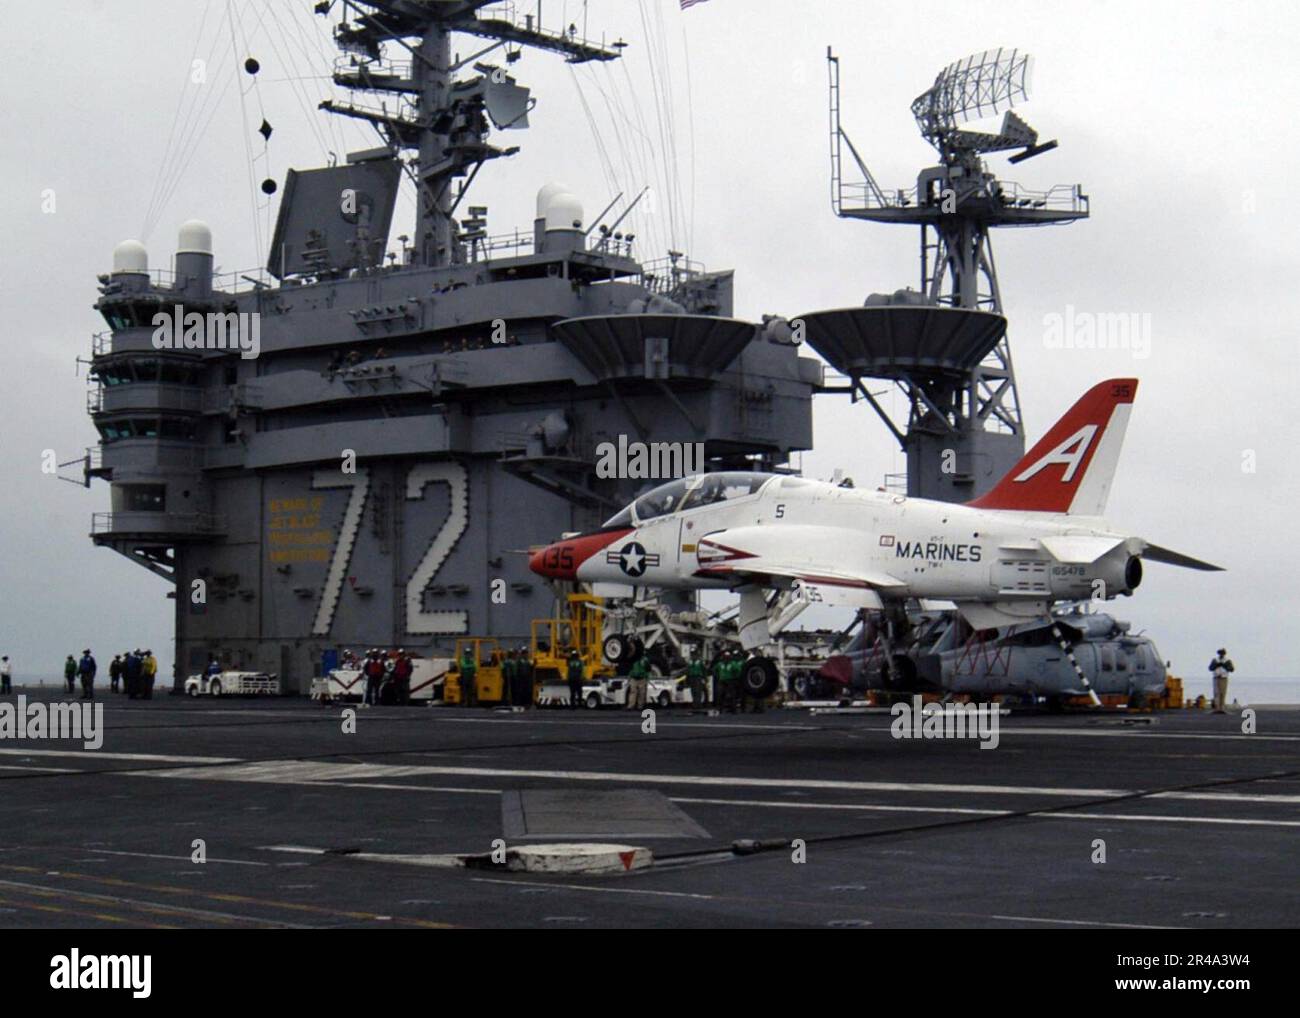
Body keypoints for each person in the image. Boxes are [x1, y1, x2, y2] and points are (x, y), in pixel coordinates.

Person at [1208, 648, 1235, 714]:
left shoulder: (1227, 661)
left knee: (1222, 693)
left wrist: (1225, 666)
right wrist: (1217, 665)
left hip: (1224, 678)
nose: (1221, 655)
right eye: (1220, 653)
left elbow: (1232, 669)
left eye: (1222, 654)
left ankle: (1222, 708)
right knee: (1216, 693)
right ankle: (1217, 708)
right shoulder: (1215, 660)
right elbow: (1210, 668)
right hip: (1216, 677)